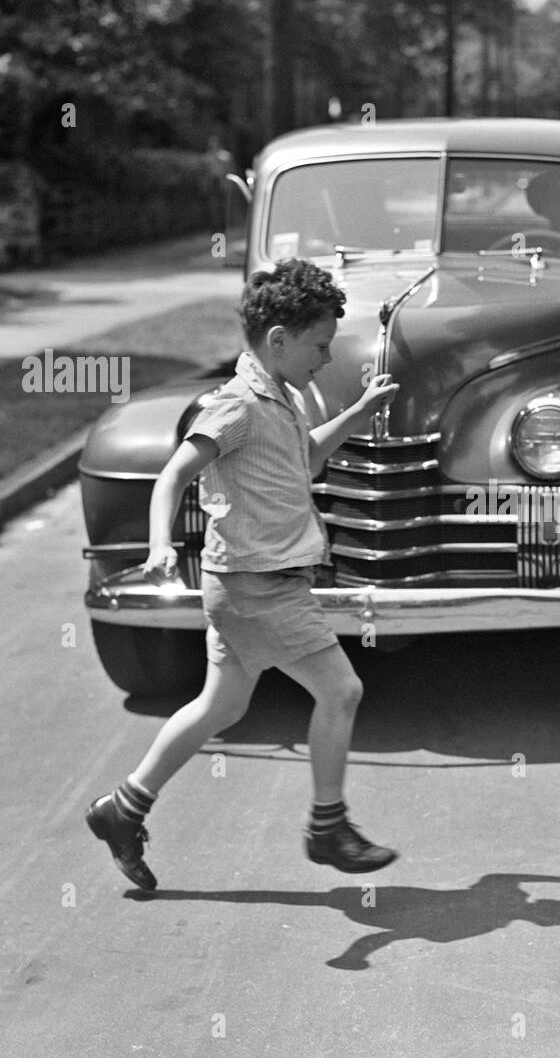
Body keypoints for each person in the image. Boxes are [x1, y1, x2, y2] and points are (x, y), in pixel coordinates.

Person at [86, 258, 400, 890]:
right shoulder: (236, 406)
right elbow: (174, 474)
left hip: (246, 585)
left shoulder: (279, 397)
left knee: (219, 706)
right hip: (260, 585)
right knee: (341, 691)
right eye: (319, 346)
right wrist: (160, 545)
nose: (325, 358)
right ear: (278, 340)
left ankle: (123, 808)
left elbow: (305, 459)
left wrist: (359, 412)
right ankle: (328, 825)